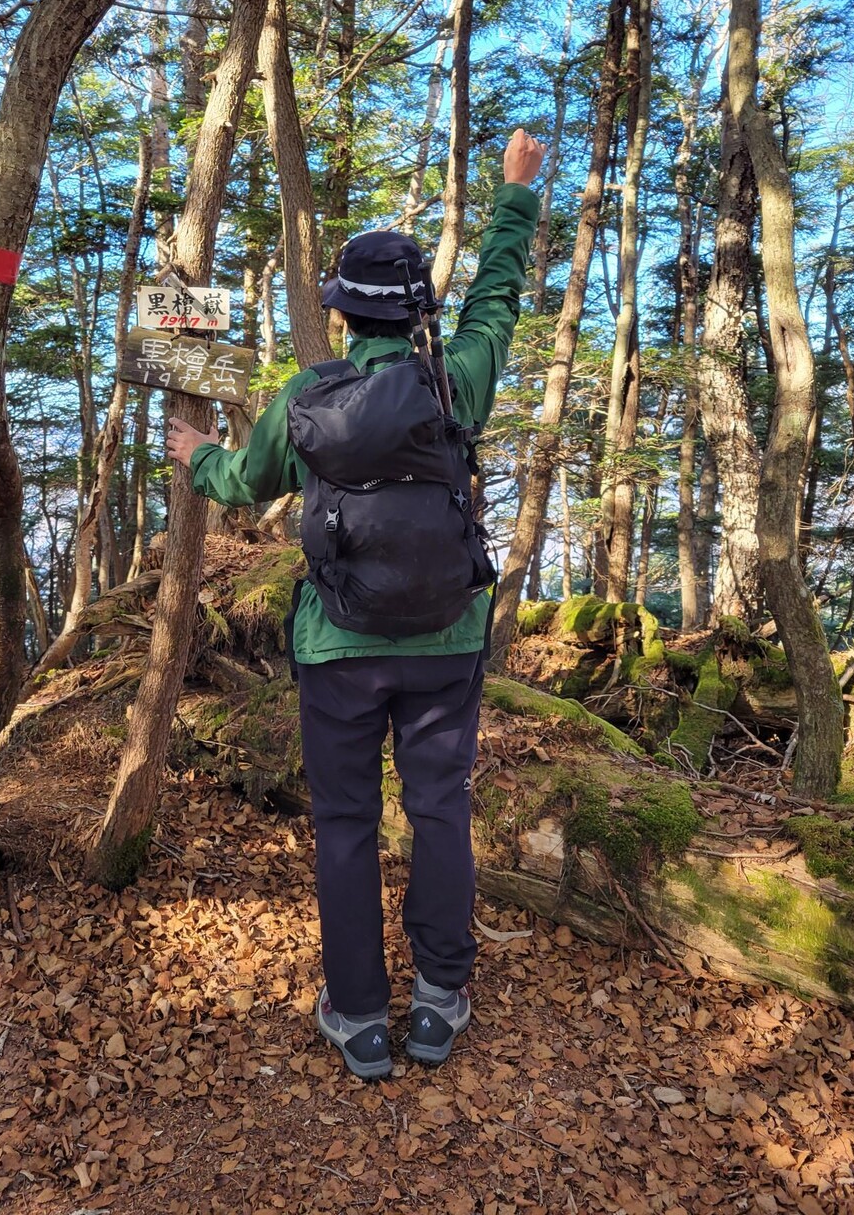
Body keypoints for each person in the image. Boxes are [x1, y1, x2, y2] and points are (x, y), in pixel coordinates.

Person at [167, 128, 545, 1079]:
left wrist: (197, 457)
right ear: (419, 312)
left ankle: (361, 1016)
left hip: (338, 643)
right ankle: (439, 999)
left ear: (342, 314)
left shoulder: (308, 397)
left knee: (346, 822)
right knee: (440, 810)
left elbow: (244, 483)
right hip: (448, 636)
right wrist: (514, 195)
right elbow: (497, 296)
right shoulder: (456, 380)